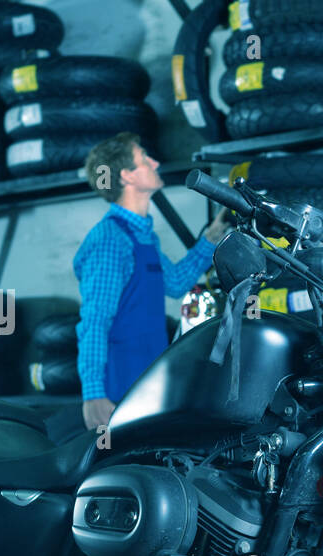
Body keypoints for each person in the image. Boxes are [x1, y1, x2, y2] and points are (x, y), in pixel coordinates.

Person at [74, 132, 230, 430]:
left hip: (148, 377)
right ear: (127, 176)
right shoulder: (110, 239)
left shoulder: (144, 235)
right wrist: (93, 393)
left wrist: (211, 239)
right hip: (118, 387)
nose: (155, 162)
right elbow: (95, 319)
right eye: (145, 158)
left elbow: (174, 283)